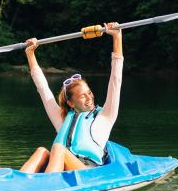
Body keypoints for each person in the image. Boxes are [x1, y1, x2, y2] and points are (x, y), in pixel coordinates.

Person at [19, 22, 123, 173]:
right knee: (42, 151)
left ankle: (46, 187)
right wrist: (30, 53)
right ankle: (16, 184)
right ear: (71, 103)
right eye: (82, 96)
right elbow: (43, 89)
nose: (89, 98)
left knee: (58, 149)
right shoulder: (62, 119)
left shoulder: (105, 116)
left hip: (88, 170)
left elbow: (116, 80)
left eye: (89, 93)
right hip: (62, 167)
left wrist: (117, 37)